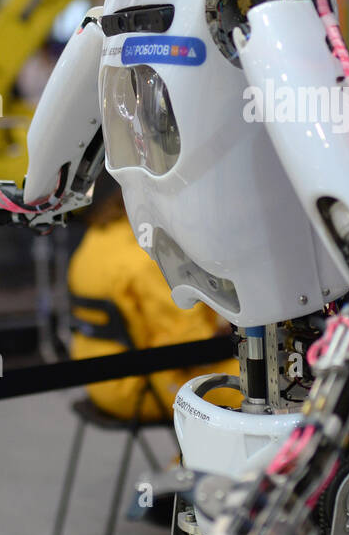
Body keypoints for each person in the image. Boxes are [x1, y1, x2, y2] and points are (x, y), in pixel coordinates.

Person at [68, 174, 239, 422]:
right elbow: (187, 347)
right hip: (141, 388)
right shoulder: (152, 259)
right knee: (272, 386)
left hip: (99, 382)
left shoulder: (96, 237)